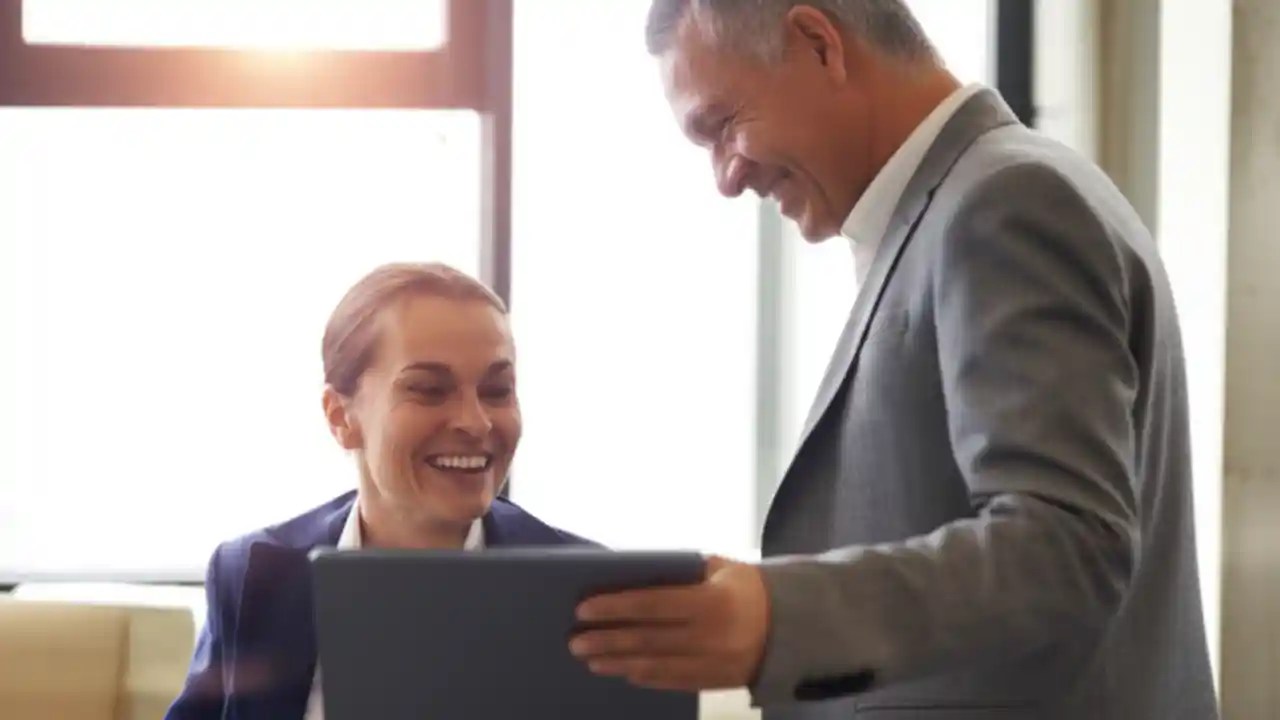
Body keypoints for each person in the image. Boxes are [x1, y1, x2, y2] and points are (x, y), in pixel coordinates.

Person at [568, 2, 1219, 718]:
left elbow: (1066, 547)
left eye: (722, 126)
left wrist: (776, 616)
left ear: (819, 43)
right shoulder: (971, 203)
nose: (726, 178)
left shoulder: (1005, 202)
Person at [166, 262, 591, 720]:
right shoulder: (253, 574)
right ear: (340, 417)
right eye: (429, 390)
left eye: (496, 390)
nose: (476, 421)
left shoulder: (590, 594)